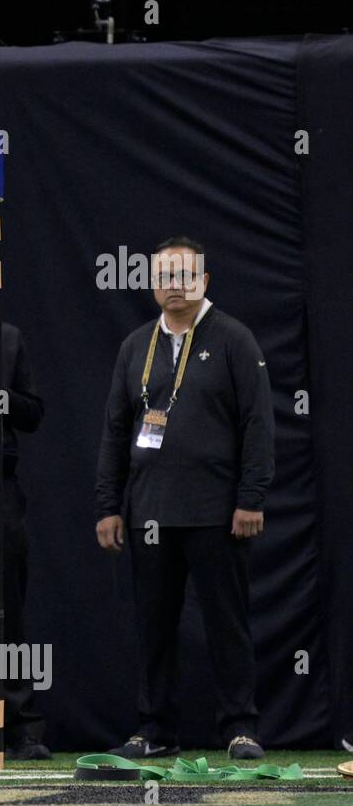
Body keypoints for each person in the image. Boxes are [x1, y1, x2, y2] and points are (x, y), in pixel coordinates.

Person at [94, 237, 273, 761]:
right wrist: (108, 505)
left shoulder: (235, 340)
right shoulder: (135, 346)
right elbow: (114, 431)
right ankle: (154, 729)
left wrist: (251, 497)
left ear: (204, 281)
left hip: (219, 512)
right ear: (152, 283)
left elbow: (258, 425)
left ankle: (240, 727)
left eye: (185, 275)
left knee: (226, 623)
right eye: (165, 276)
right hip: (149, 511)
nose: (174, 285)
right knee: (154, 626)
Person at [0, 322, 49, 760]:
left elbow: (33, 412)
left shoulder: (8, 337)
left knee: (7, 606)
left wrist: (4, 401)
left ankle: (21, 728)